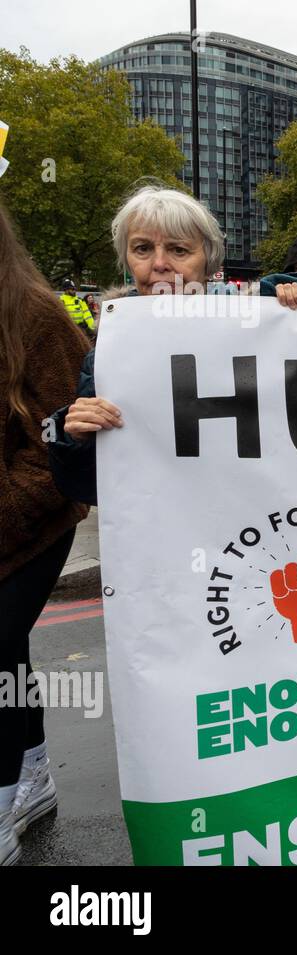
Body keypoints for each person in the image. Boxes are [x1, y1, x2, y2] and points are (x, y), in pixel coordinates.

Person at [0, 201, 92, 864]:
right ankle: (30, 771)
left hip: (32, 521)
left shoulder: (35, 312)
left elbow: (63, 442)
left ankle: (6, 796)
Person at [48, 183, 225, 505]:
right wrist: (74, 437)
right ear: (128, 259)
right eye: (143, 248)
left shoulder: (254, 334)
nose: (159, 264)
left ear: (209, 262)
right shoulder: (106, 356)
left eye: (178, 250)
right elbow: (87, 490)